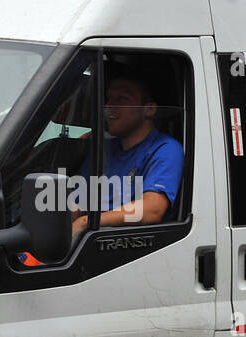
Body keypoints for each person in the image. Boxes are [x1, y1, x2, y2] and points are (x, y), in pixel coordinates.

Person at [70, 72, 183, 234]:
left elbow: (152, 210)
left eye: (122, 99)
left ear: (149, 110)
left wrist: (85, 222)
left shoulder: (165, 149)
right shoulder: (104, 150)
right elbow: (78, 204)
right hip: (94, 242)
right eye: (108, 98)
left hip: (136, 246)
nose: (109, 106)